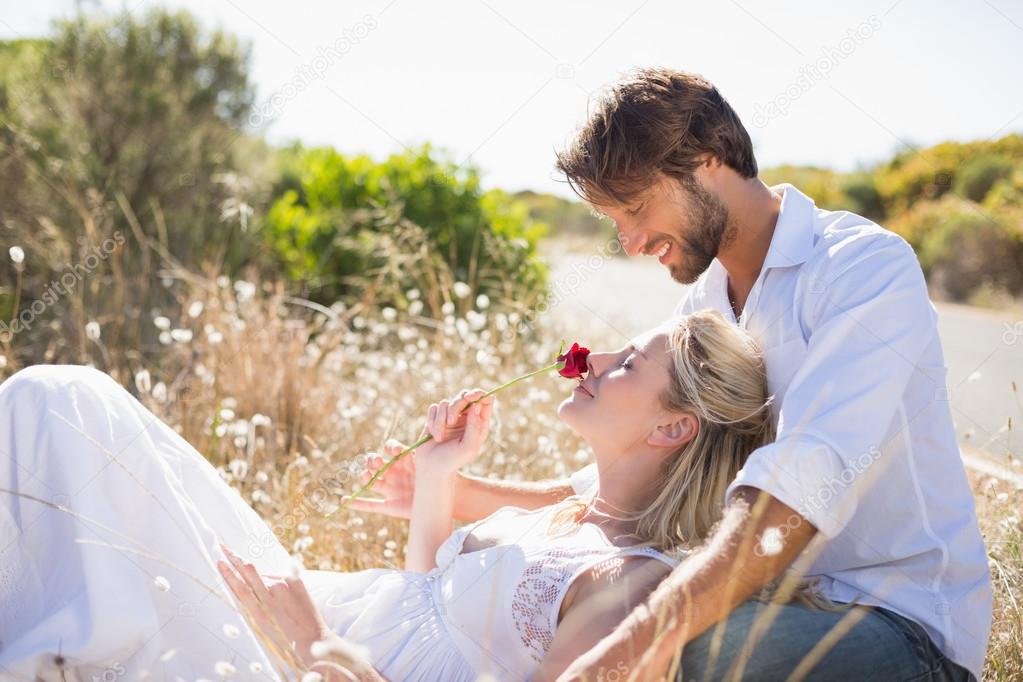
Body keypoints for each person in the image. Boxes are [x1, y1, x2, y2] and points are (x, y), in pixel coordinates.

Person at [354, 68, 992, 681]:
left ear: (708, 160)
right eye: (615, 221)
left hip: (896, 619)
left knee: (671, 650)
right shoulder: (703, 306)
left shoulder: (862, 270)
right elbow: (619, 487)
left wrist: (640, 640)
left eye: (636, 208)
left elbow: (806, 483)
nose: (630, 241)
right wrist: (448, 489)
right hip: (766, 599)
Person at [0, 310, 772, 681]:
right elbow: (427, 600)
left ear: (673, 429)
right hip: (324, 612)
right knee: (63, 404)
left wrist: (309, 650)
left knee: (60, 406)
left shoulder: (632, 583)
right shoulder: (572, 513)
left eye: (628, 364)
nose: (594, 360)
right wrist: (440, 473)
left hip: (314, 660)